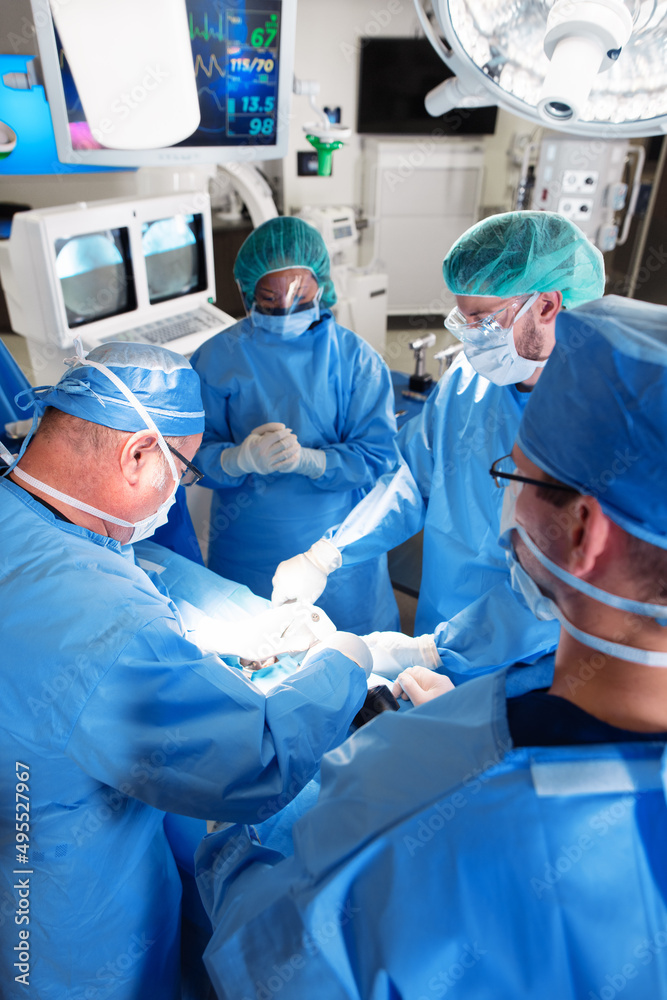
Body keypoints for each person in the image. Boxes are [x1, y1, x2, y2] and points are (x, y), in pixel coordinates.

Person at [196, 296, 667, 1000]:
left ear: (584, 533)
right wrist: (467, 714)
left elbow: (260, 958)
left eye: (514, 477)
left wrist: (236, 817)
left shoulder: (432, 818)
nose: (503, 502)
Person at [0, 341, 372, 1000]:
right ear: (138, 452)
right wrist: (345, 663)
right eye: (184, 470)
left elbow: (97, 636)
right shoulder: (98, 612)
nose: (178, 493)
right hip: (66, 921)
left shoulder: (21, 515)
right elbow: (250, 761)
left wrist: (219, 642)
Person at [272, 211, 605, 682]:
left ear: (547, 306)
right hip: (439, 623)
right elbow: (412, 481)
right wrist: (329, 554)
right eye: (462, 317)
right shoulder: (469, 382)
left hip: (526, 666)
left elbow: (554, 592)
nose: (469, 335)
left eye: (483, 320)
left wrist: (431, 651)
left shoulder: (600, 422)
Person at [189, 216, 399, 635]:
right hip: (249, 547)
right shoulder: (218, 358)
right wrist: (234, 458)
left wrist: (312, 462)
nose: (284, 307)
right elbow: (188, 456)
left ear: (321, 285)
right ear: (248, 292)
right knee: (254, 656)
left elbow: (377, 457)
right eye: (269, 297)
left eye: (298, 294)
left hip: (336, 551)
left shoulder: (357, 361)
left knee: (355, 666)